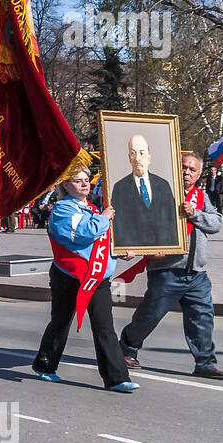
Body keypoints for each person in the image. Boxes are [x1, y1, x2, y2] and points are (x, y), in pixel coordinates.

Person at [120, 153, 223, 379]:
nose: (187, 172)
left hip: (196, 273)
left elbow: (216, 222)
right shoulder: (159, 192)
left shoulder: (200, 196)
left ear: (199, 175)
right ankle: (127, 349)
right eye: (183, 167)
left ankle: (205, 363)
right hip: (166, 269)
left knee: (202, 318)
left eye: (192, 169)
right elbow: (141, 223)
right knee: (150, 314)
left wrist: (194, 214)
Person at [31, 167, 138, 393]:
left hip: (97, 276)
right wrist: (104, 218)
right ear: (65, 186)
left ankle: (116, 377)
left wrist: (120, 251)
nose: (84, 184)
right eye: (77, 181)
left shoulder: (92, 209)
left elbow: (101, 242)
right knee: (61, 322)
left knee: (104, 326)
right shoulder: (61, 210)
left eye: (87, 180)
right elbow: (82, 233)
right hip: (69, 275)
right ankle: (45, 364)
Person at [110, 133, 178, 248]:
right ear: (129, 158)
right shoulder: (119, 188)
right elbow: (118, 225)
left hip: (162, 251)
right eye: (133, 153)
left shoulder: (163, 185)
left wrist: (170, 248)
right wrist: (124, 249)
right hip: (132, 251)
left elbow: (171, 221)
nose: (137, 158)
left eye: (142, 153)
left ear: (149, 156)